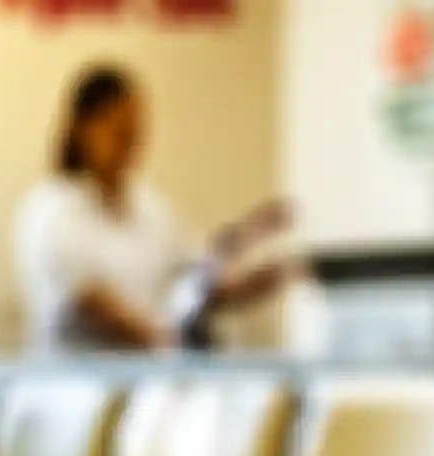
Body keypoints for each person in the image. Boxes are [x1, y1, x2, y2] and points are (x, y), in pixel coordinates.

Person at [16, 64, 306, 354]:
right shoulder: (50, 212)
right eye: (120, 133)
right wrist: (175, 341)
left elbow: (203, 277)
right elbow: (97, 307)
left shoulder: (151, 207)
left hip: (148, 380)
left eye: (136, 133)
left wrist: (267, 267)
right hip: (77, 386)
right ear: (81, 129)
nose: (130, 146)